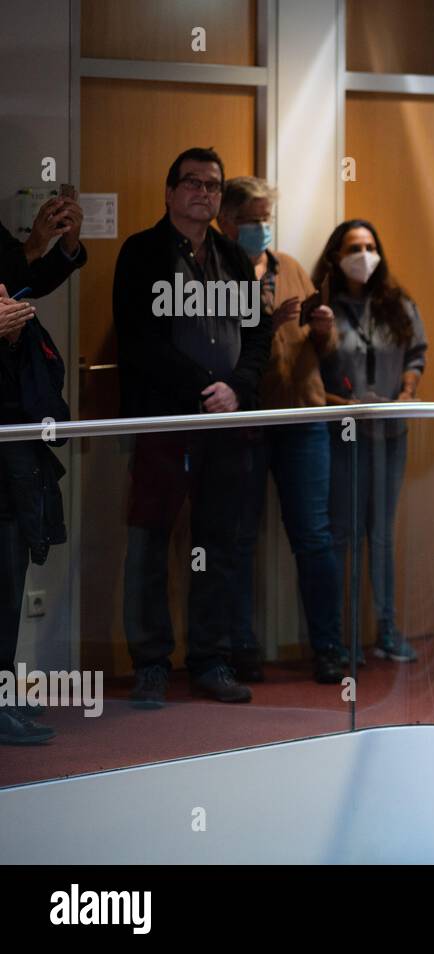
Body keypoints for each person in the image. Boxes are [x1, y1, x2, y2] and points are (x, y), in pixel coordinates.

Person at [114, 147, 272, 708]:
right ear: (169, 193)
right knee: (151, 543)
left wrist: (238, 389)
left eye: (212, 185)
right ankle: (151, 665)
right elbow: (138, 341)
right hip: (167, 421)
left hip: (227, 423)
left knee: (219, 545)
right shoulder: (141, 253)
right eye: (192, 183)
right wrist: (204, 387)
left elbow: (258, 336)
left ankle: (211, 660)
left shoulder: (232, 257)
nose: (203, 193)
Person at [217, 176, 349, 685]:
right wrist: (269, 326)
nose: (262, 228)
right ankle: (241, 650)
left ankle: (329, 648)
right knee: (238, 538)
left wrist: (321, 328)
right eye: (252, 218)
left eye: (266, 217)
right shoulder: (214, 273)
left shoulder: (289, 267)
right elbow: (216, 348)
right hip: (246, 420)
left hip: (302, 417)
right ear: (226, 221)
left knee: (313, 538)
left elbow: (325, 349)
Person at [316, 220, 426, 662]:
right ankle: (342, 637)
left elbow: (417, 353)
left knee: (381, 535)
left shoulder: (397, 304)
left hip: (390, 432)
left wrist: (407, 393)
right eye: (353, 247)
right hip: (341, 433)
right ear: (336, 256)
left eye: (370, 246)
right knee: (343, 533)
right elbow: (305, 372)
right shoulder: (321, 308)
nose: (363, 254)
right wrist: (340, 402)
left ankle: (385, 629)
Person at [0, 196, 85, 744]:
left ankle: (4, 696)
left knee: (8, 570)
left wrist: (46, 247)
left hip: (13, 429)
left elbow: (20, 284)